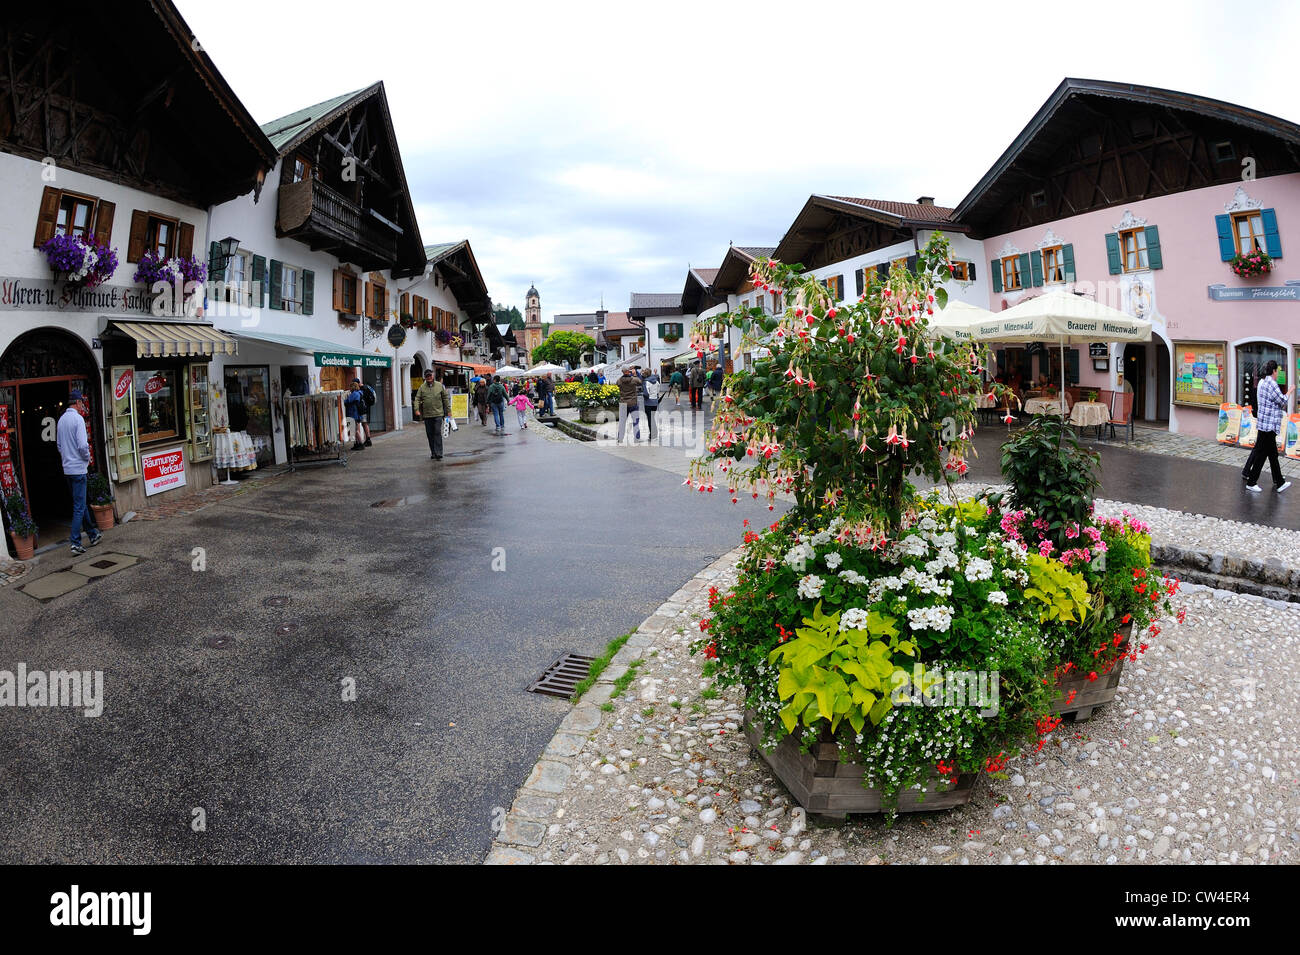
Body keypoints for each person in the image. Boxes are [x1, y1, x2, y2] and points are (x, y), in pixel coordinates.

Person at [57, 390, 102, 555]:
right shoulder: (78, 419)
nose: (83, 405)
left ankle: (93, 534)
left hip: (67, 468)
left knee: (80, 504)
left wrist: (67, 458)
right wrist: (87, 458)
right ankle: (75, 542)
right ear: (76, 402)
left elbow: (60, 446)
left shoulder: (61, 420)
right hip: (78, 469)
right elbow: (83, 446)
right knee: (78, 506)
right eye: (82, 402)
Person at [1243, 359, 1292, 493]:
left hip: (1264, 422)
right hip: (1269, 424)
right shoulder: (1272, 384)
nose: (1277, 374)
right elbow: (1282, 401)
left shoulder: (1262, 382)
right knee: (1262, 454)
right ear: (1274, 371)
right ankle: (1252, 481)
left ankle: (1279, 482)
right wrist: (1290, 391)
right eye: (1277, 371)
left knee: (1272, 454)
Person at [413, 368, 452, 460]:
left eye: (430, 375)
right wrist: (416, 409)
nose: (429, 377)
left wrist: (449, 410)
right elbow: (417, 398)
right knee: (430, 434)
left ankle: (439, 453)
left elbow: (445, 398)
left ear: (433, 375)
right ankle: (433, 452)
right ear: (425, 378)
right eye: (427, 376)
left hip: (438, 414)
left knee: (437, 432)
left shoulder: (439, 386)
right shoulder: (422, 387)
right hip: (427, 415)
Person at [614, 367, 643, 444]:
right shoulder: (634, 379)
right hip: (633, 403)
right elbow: (640, 381)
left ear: (622, 372)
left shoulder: (619, 380)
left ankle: (620, 438)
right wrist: (635, 374)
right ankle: (637, 438)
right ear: (628, 371)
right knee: (635, 422)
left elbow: (617, 384)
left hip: (623, 403)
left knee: (622, 422)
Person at [344, 379, 367, 451]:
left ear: (353, 387)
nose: (349, 388)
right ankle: (357, 444)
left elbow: (347, 401)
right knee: (354, 430)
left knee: (355, 430)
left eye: (350, 387)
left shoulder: (355, 394)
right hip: (356, 414)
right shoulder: (359, 393)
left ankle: (361, 444)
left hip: (354, 414)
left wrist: (342, 399)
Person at [641, 367, 661, 441]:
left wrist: (644, 394)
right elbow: (658, 390)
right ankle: (653, 434)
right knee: (652, 418)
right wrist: (655, 395)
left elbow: (646, 393)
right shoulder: (656, 381)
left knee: (650, 419)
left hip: (648, 403)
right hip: (655, 402)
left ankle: (653, 434)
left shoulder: (646, 382)